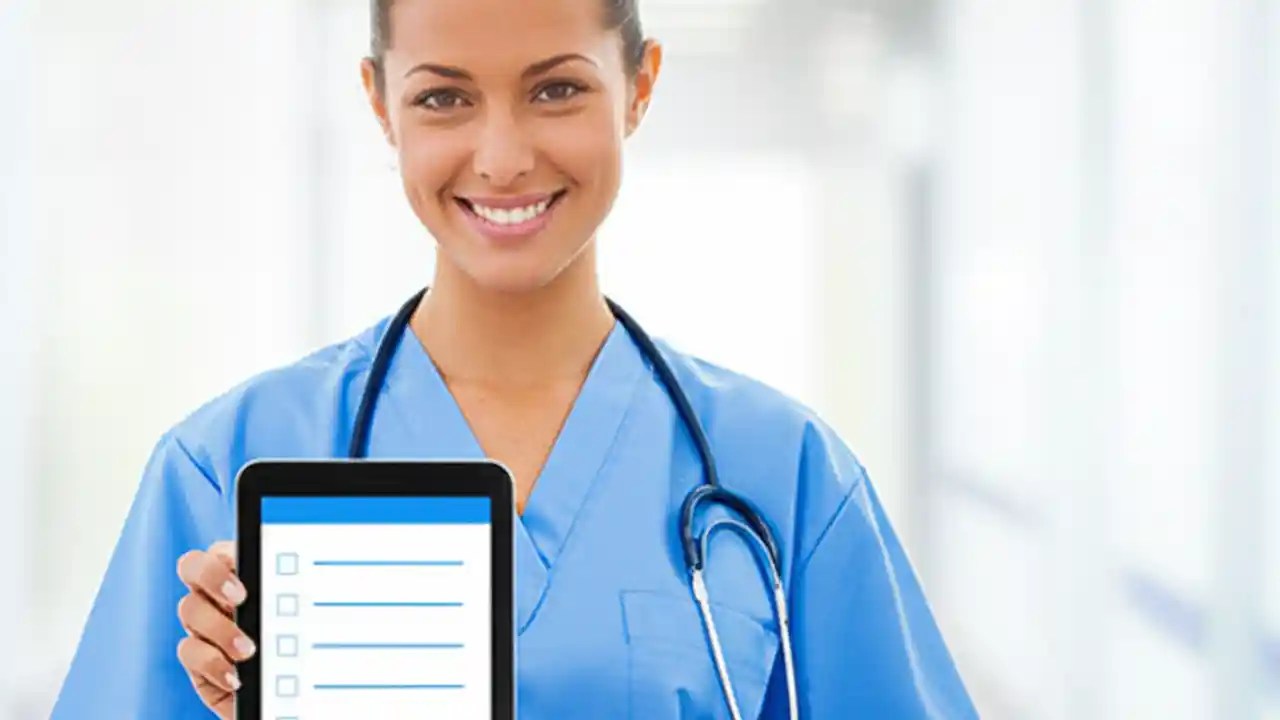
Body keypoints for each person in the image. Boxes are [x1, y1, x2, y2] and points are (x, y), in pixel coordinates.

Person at [51, 0, 976, 717]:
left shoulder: (785, 476)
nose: (501, 158)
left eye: (556, 89)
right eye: (444, 97)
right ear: (381, 104)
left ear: (641, 86)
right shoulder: (226, 466)